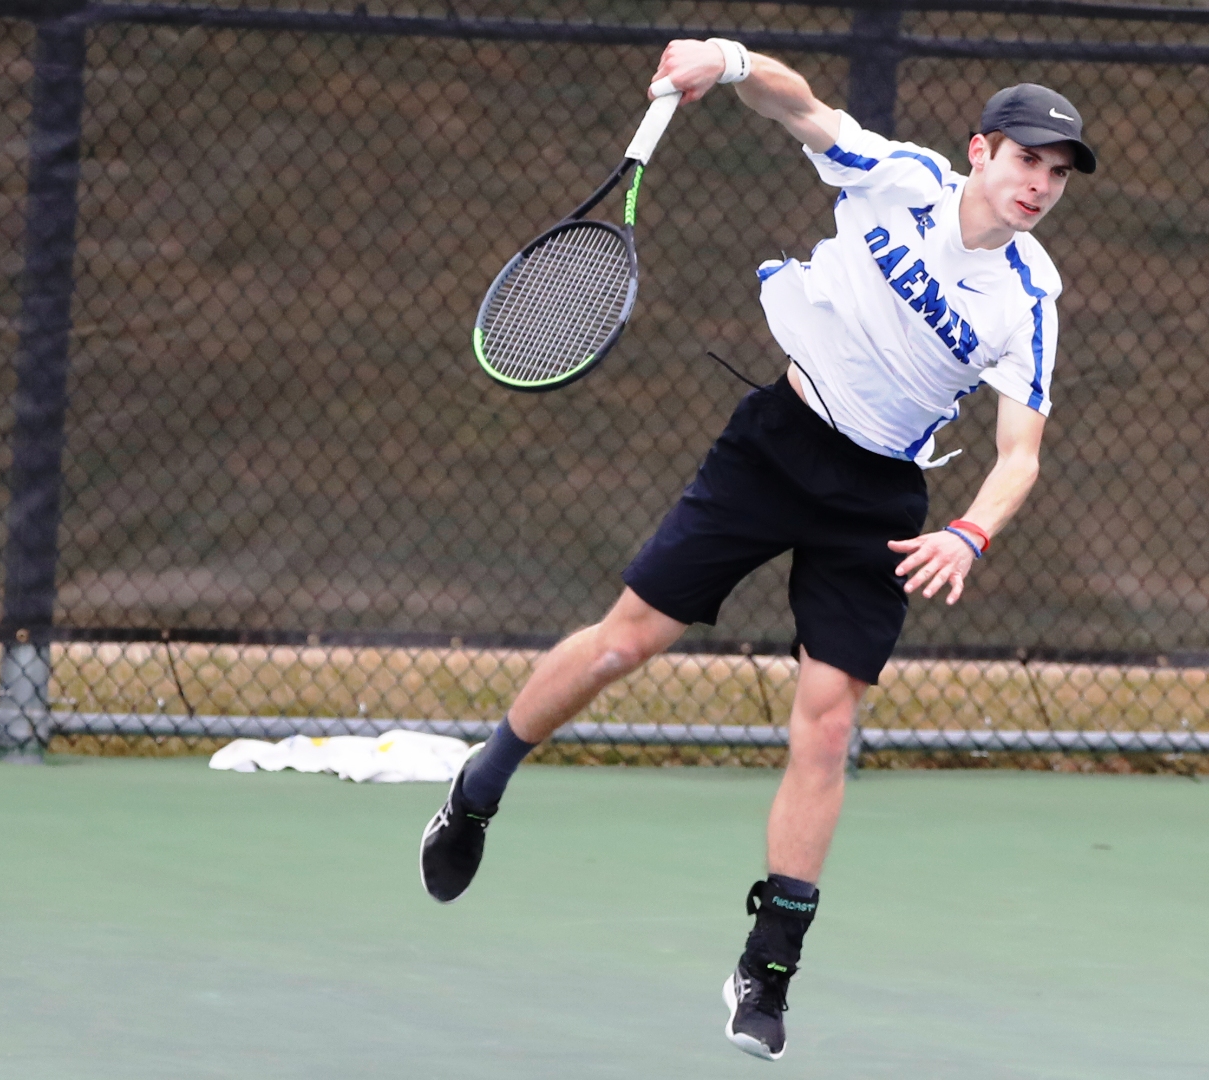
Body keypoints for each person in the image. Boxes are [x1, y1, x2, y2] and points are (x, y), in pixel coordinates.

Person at [419, 36, 1095, 1061]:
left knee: (826, 731)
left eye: (1057, 173)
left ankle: (767, 965)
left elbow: (1020, 454)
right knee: (622, 645)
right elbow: (802, 108)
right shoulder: (901, 181)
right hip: (775, 444)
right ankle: (481, 784)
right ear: (982, 152)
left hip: (877, 498)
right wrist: (728, 62)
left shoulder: (1029, 301)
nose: (1040, 185)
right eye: (1027, 161)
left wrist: (969, 531)